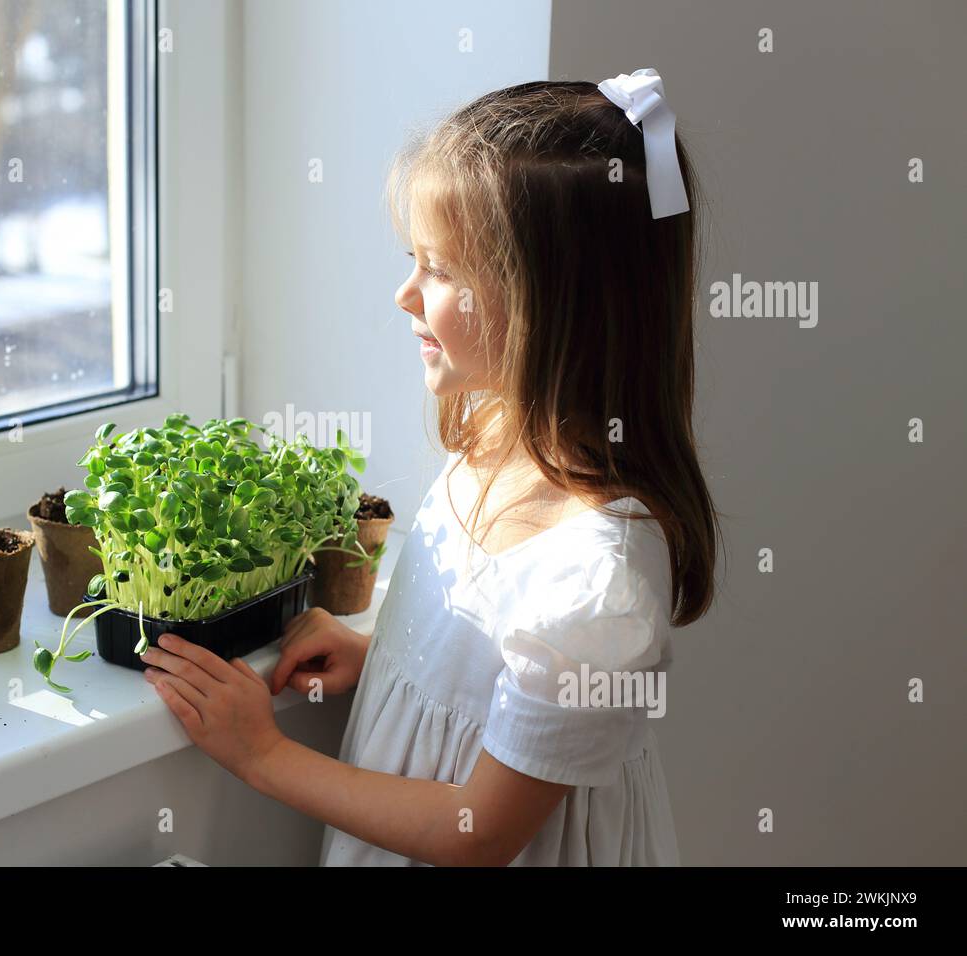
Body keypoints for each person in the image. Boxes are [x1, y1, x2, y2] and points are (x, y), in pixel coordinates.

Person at [140, 70, 721, 866]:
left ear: (555, 307)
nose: (405, 294)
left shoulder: (599, 591)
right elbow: (484, 658)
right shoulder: (491, 433)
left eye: (442, 271)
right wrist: (386, 651)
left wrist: (262, 755)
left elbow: (480, 832)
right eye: (413, 259)